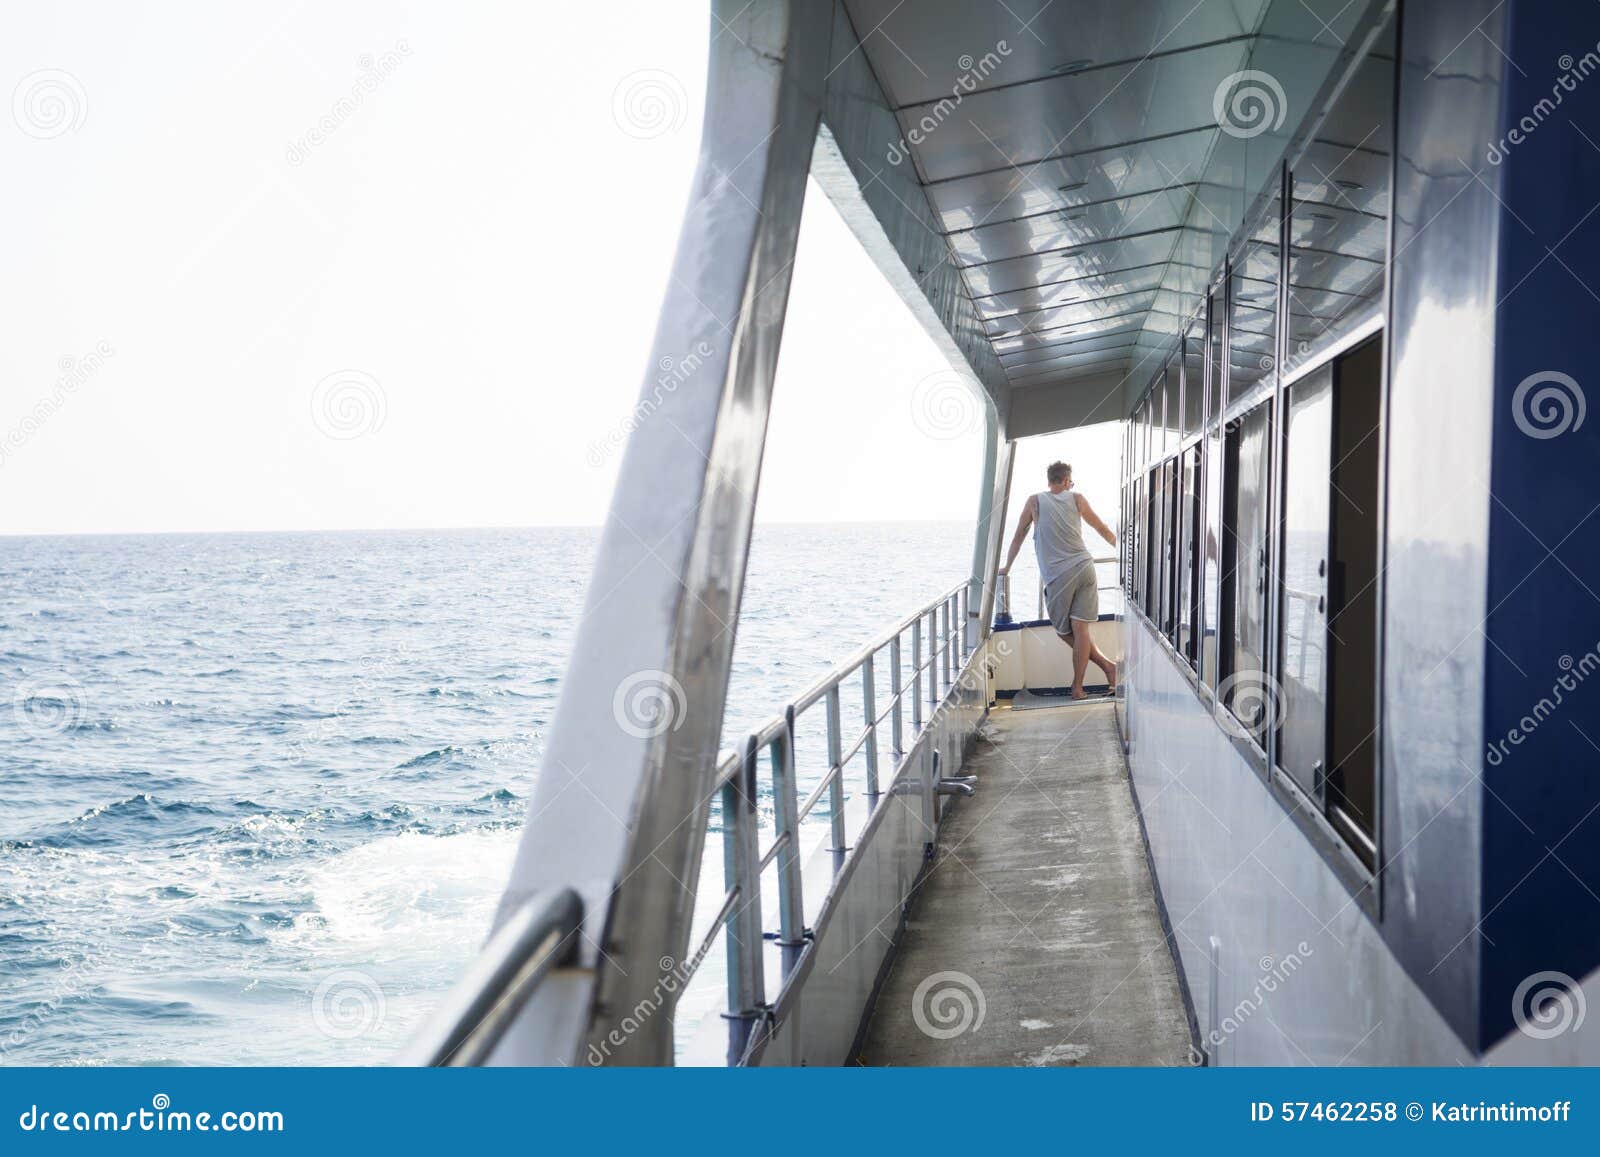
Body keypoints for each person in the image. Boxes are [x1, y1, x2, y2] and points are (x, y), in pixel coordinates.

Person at [998, 461, 1118, 699]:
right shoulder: (1077, 499)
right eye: (1070, 482)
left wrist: (1006, 567)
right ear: (1065, 481)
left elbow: (1019, 536)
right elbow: (1102, 528)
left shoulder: (1034, 501)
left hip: (1059, 576)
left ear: (1050, 480)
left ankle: (1088, 680)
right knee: (1080, 629)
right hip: (1086, 567)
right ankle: (1100, 674)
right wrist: (1123, 552)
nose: (1071, 485)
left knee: (1064, 631)